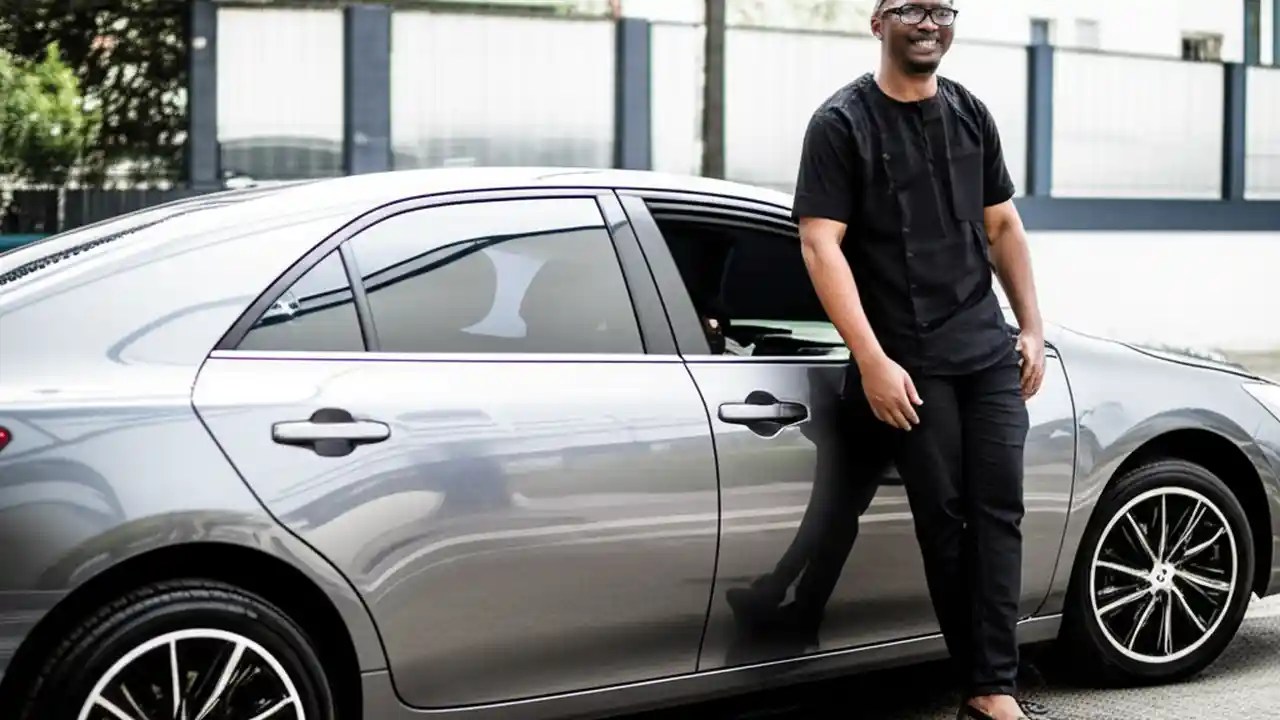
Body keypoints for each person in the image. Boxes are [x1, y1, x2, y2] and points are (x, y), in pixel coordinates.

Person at [791, 1, 1047, 719]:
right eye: (909, 8)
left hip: (985, 349)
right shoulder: (842, 124)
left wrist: (1029, 327)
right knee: (948, 518)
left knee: (1000, 513)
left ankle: (992, 687)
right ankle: (987, 686)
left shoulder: (970, 113)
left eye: (941, 8)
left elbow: (1001, 226)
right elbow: (821, 243)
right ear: (878, 24)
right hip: (907, 358)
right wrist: (869, 358)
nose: (928, 21)